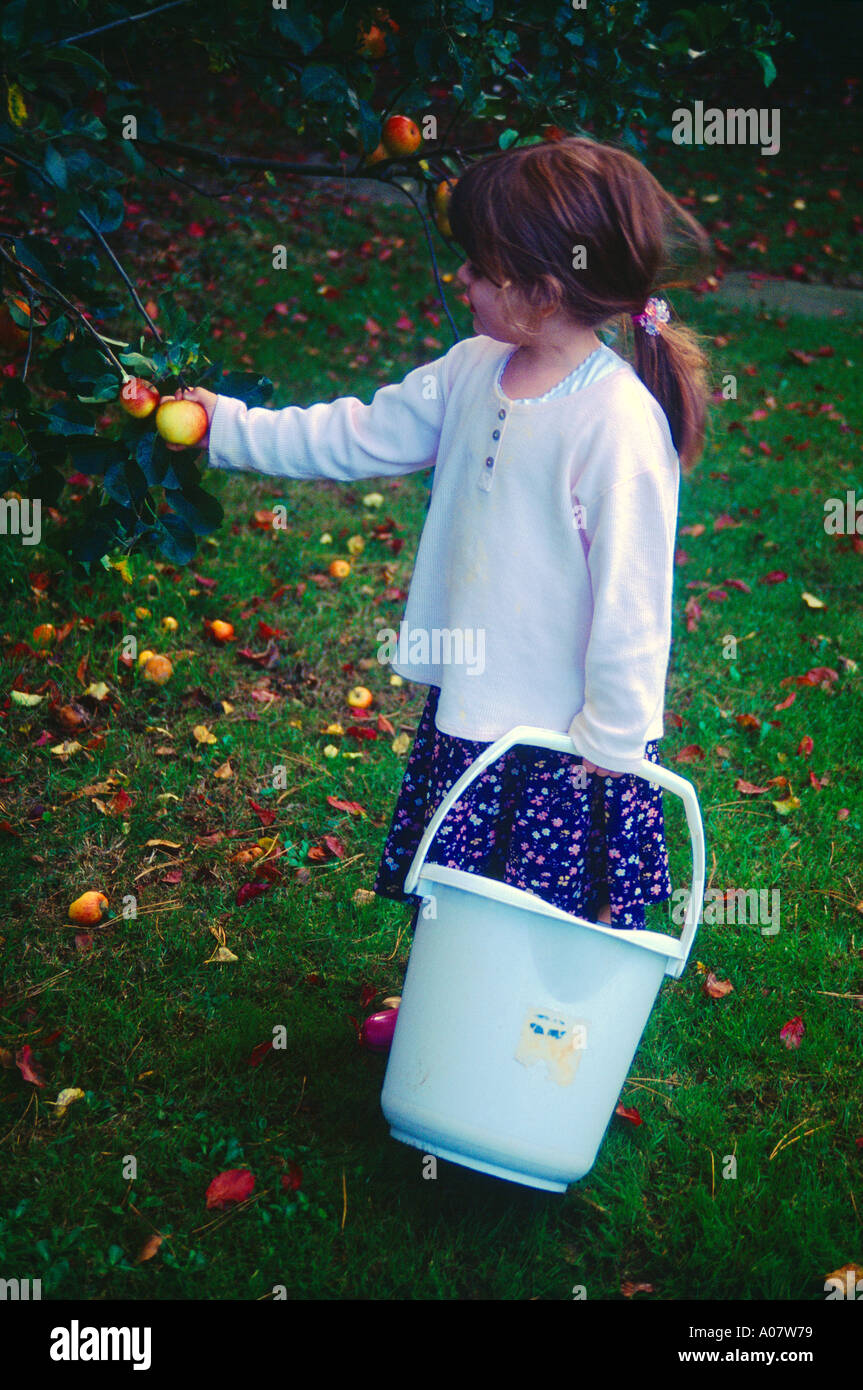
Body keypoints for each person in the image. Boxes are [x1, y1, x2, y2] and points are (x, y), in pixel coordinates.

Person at [183, 135, 709, 930]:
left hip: (564, 746)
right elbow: (354, 436)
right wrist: (225, 426)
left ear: (540, 290)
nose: (459, 275)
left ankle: (520, 1041)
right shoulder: (472, 367)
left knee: (537, 920)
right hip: (474, 705)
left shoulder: (615, 424)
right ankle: (447, 1018)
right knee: (458, 895)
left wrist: (608, 750)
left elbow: (634, 611)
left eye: (478, 266)